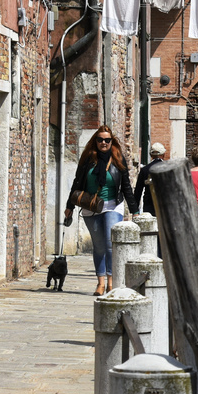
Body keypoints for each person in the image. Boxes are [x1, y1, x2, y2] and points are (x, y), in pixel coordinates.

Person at [64, 125, 136, 295]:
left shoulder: (117, 158)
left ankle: (111, 282)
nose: (104, 143)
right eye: (100, 139)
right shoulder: (88, 158)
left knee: (110, 244)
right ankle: (100, 283)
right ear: (95, 141)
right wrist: (69, 206)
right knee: (99, 246)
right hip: (91, 207)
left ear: (112, 141)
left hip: (112, 205)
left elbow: (126, 185)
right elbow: (77, 182)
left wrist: (135, 209)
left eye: (107, 140)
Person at [135, 140, 167, 215]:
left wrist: (135, 210)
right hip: (165, 206)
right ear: (163, 155)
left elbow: (138, 191)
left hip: (149, 206)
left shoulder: (144, 170)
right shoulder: (167, 169)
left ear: (151, 155)